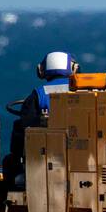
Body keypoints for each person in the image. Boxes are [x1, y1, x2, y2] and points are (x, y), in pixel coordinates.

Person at [6, 50, 77, 188]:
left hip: (45, 160)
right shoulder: (84, 90)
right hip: (80, 156)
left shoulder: (39, 94)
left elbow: (24, 127)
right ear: (73, 68)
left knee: (9, 162)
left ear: (41, 70)